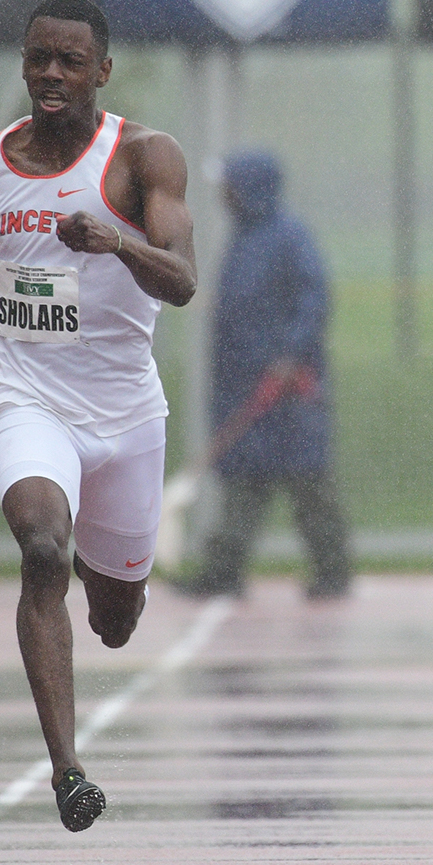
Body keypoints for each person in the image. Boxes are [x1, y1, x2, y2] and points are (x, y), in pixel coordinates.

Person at [0, 0, 196, 833]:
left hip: (126, 414)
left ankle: (113, 586)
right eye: (39, 58)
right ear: (24, 64)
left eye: (71, 60)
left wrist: (115, 241)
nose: (52, 74)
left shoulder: (143, 157)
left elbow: (182, 280)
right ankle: (68, 770)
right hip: (26, 396)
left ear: (102, 70)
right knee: (41, 549)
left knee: (114, 620)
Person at [180, 150, 348, 600]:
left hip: (287, 391)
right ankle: (223, 571)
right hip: (242, 386)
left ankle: (333, 572)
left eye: (230, 186)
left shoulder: (290, 237)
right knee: (242, 481)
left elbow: (313, 299)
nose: (224, 195)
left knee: (309, 482)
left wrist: (292, 355)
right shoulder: (243, 238)